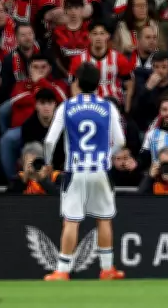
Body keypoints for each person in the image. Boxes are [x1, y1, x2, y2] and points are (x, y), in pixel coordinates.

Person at [43, 62, 126, 281]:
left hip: (75, 169)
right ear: (98, 84)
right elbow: (120, 140)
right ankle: (107, 269)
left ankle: (62, 270)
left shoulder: (66, 107)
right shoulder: (108, 107)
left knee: (71, 221)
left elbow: (50, 141)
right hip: (100, 170)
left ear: (77, 82)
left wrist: (49, 162)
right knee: (104, 219)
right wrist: (107, 155)